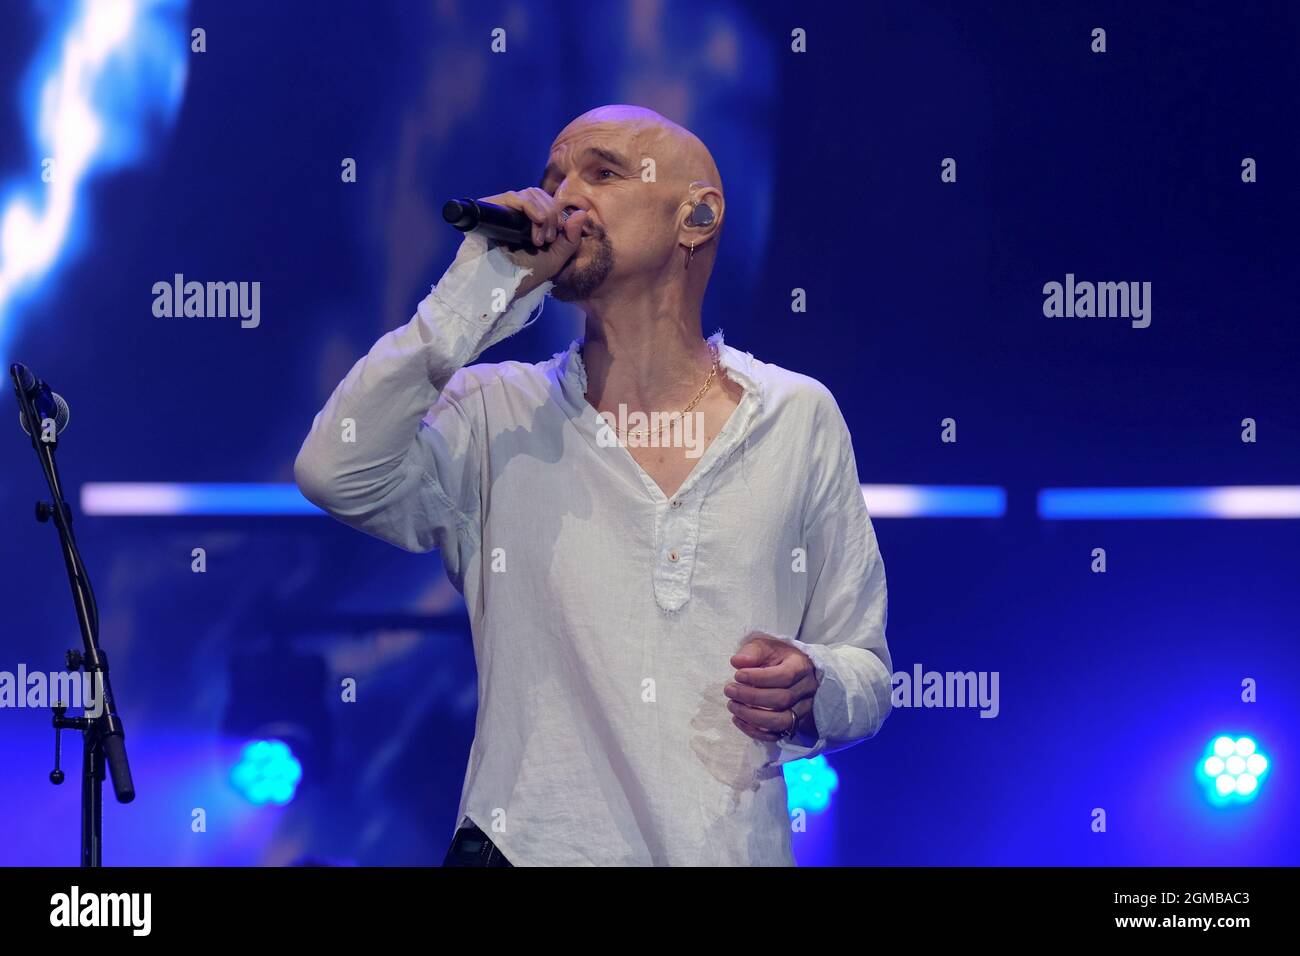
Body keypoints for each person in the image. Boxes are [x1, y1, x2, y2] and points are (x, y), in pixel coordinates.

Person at [294, 105, 892, 866]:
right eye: (554, 179)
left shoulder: (796, 416)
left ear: (698, 216)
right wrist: (470, 296)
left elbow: (866, 667)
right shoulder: (494, 412)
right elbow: (333, 469)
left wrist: (817, 686)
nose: (564, 198)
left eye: (602, 173)